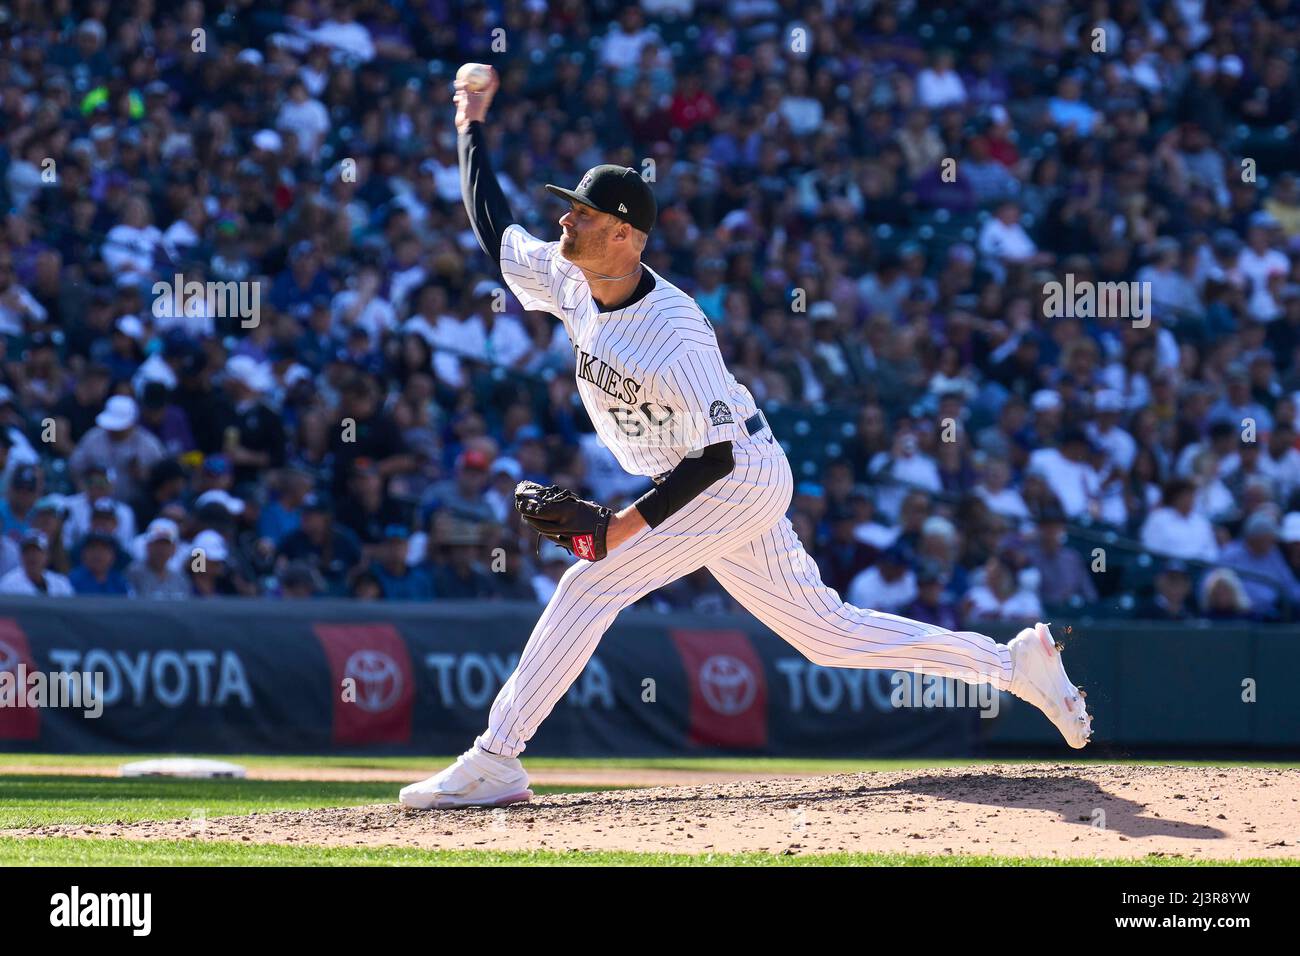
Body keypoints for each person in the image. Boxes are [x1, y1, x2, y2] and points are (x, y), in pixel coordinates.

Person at [399, 68, 1093, 811]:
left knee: (590, 582)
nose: (566, 222)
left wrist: (616, 527)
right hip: (698, 476)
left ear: (627, 236)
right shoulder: (571, 278)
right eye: (569, 211)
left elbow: (717, 457)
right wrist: (469, 123)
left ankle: (496, 759)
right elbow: (493, 229)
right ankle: (1015, 662)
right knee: (829, 634)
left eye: (584, 215)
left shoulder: (674, 331)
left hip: (733, 477)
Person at [0, 529, 74, 596]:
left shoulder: (60, 583)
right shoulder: (8, 584)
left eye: (36, 552)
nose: (32, 556)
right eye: (27, 552)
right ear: (21, 556)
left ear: (47, 556)